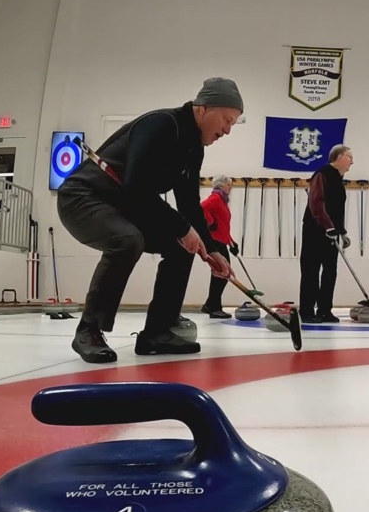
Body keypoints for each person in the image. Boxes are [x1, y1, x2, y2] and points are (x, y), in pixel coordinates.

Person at [57, 78, 240, 363]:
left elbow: (189, 204)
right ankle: (88, 330)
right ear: (203, 109)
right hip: (83, 197)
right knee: (127, 239)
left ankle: (158, 332)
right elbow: (136, 186)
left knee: (183, 246)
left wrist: (212, 248)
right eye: (227, 120)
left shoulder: (194, 147)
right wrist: (182, 227)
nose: (228, 130)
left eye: (233, 124)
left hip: (126, 205)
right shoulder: (161, 124)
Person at [299, 144, 354, 323]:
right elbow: (316, 203)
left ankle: (325, 310)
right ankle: (307, 311)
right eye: (349, 157)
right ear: (339, 157)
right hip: (315, 231)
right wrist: (328, 226)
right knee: (311, 271)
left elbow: (336, 209)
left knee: (330, 272)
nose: (352, 162)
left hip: (331, 233)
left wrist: (341, 231)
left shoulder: (339, 180)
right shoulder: (322, 174)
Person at [200, 174, 240, 318]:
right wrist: (210, 222)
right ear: (221, 185)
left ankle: (211, 305)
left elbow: (223, 226)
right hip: (214, 242)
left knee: (221, 274)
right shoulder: (216, 198)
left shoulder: (222, 201)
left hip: (221, 241)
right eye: (229, 184)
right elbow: (202, 208)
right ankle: (213, 306)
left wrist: (232, 242)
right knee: (222, 274)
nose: (231, 187)